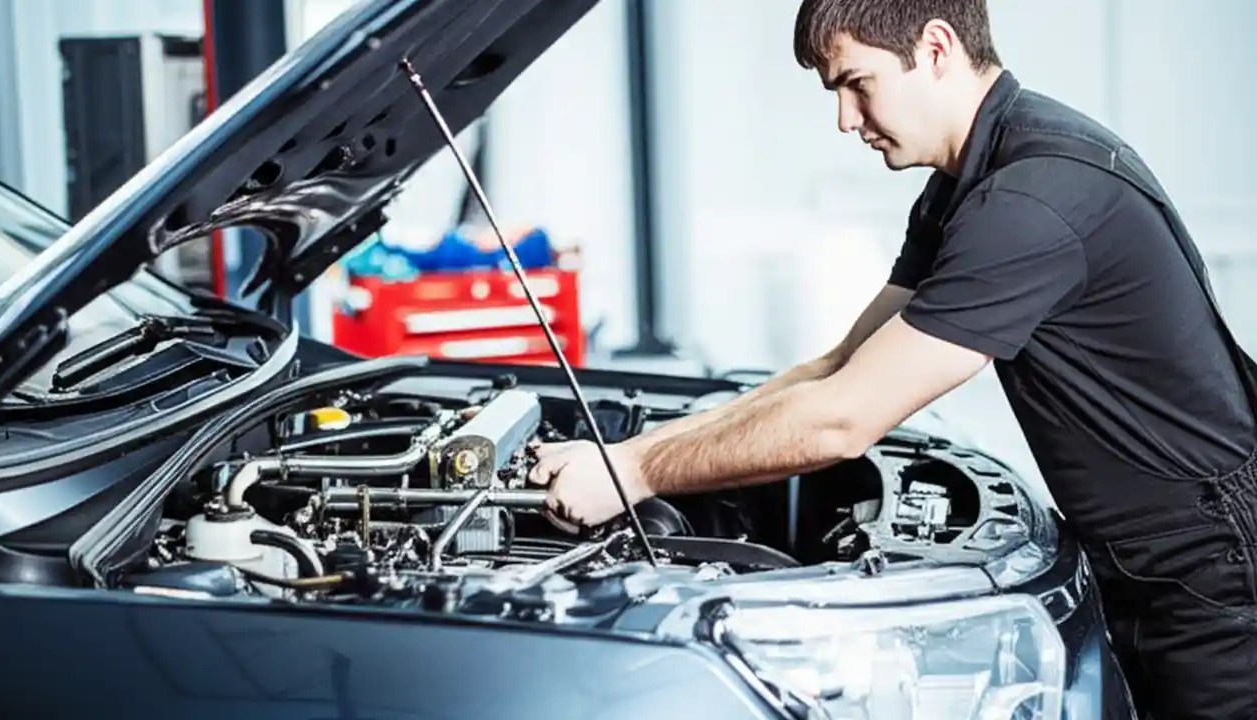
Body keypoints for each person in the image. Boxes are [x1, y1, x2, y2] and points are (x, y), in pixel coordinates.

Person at [527, 1, 1257, 716]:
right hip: (1156, 558)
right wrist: (627, 455)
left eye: (857, 84)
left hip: (1212, 573)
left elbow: (841, 421)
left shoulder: (1032, 200)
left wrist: (636, 475)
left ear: (936, 48)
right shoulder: (965, 185)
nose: (846, 119)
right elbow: (837, 368)